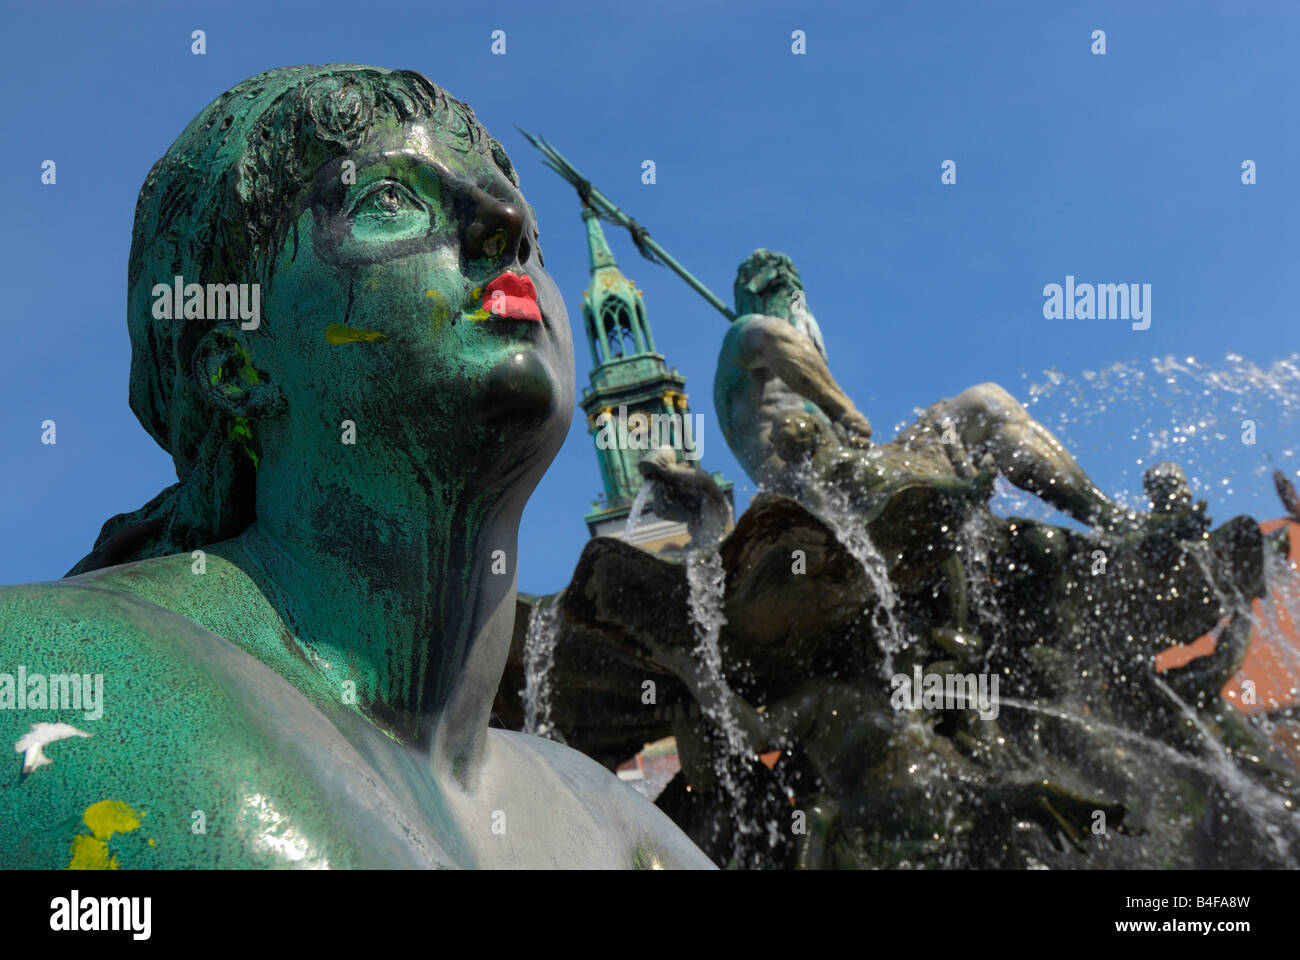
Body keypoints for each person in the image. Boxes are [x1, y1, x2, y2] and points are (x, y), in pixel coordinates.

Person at [0, 65, 713, 869]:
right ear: (234, 362)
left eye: (531, 230)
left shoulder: (614, 821)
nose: (505, 221)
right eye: (388, 199)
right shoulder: (60, 674)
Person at [715, 249, 1147, 531]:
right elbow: (773, 339)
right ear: (755, 294)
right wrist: (844, 409)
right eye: (782, 290)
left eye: (796, 293)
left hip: (868, 472)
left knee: (985, 402)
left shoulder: (809, 365)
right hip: (815, 501)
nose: (794, 304)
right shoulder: (740, 346)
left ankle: (1109, 517)